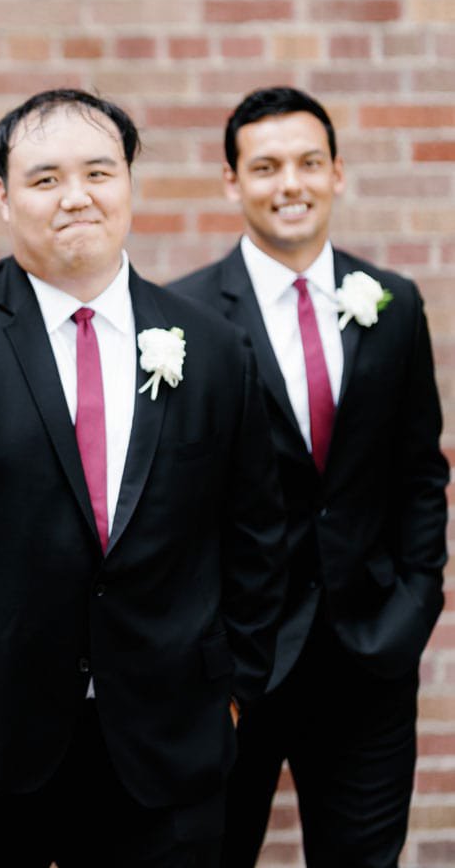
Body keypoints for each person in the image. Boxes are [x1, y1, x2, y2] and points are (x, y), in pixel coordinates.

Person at [0, 89, 287, 867]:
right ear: (4, 199)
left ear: (129, 184)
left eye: (99, 172)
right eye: (45, 179)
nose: (76, 197)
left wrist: (235, 689)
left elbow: (256, 533)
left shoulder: (212, 348)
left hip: (167, 741)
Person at [171, 87, 448, 868]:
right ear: (232, 181)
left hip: (370, 658)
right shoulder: (184, 316)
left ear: (337, 175)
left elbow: (419, 472)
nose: (288, 182)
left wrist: (413, 601)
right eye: (265, 166)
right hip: (238, 669)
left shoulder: (392, 305)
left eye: (307, 163)